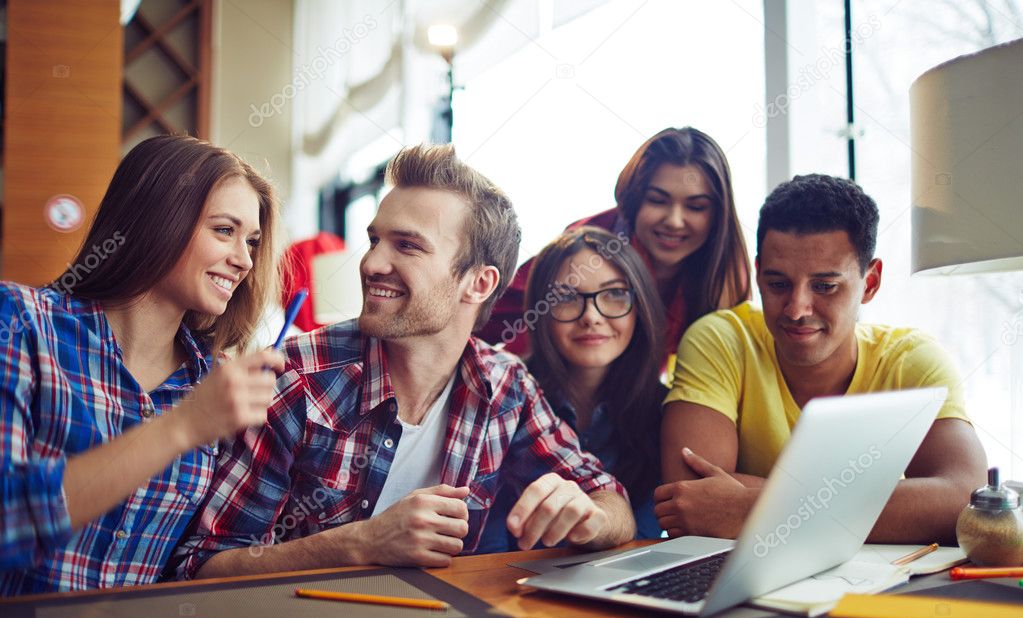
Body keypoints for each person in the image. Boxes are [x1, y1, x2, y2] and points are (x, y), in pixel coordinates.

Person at [171, 144, 636, 579]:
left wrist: (587, 518)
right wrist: (358, 545)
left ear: (478, 283)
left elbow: (612, 501)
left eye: (408, 246)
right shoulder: (296, 378)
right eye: (375, 240)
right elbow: (201, 564)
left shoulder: (505, 386)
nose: (372, 263)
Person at [0, 134, 286, 595]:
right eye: (223, 231)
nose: (244, 261)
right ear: (156, 219)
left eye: (251, 241)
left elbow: (193, 565)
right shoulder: (22, 324)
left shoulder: (215, 382)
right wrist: (180, 428)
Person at [655, 174, 987, 546]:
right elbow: (692, 499)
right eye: (778, 284)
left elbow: (967, 501)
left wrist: (749, 508)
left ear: (871, 282)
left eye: (825, 286)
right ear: (759, 272)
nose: (797, 309)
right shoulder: (720, 340)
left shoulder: (910, 360)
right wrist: (888, 509)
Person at [479, 127, 751, 364]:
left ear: (718, 214)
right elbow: (487, 317)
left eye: (696, 206)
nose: (674, 221)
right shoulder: (587, 247)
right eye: (657, 200)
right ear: (634, 200)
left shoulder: (725, 276)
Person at [478, 228, 666, 550]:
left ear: (640, 306)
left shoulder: (665, 411)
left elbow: (644, 538)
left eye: (614, 294)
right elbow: (487, 537)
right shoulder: (505, 395)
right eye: (566, 298)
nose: (591, 317)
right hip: (510, 580)